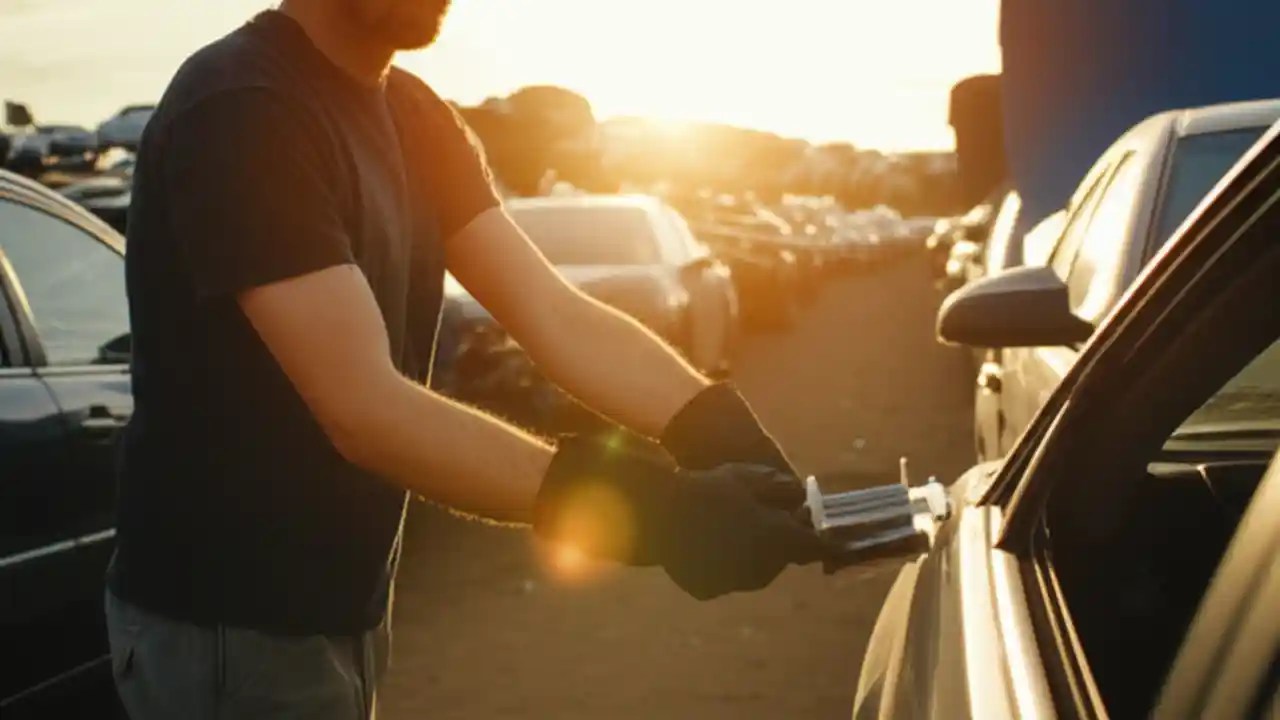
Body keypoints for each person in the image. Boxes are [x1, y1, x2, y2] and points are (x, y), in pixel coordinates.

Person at [105, 1, 825, 717]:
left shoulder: (413, 114)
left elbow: (554, 313)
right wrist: (657, 509)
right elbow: (364, 408)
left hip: (339, 607)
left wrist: (713, 426)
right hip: (227, 626)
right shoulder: (243, 109)